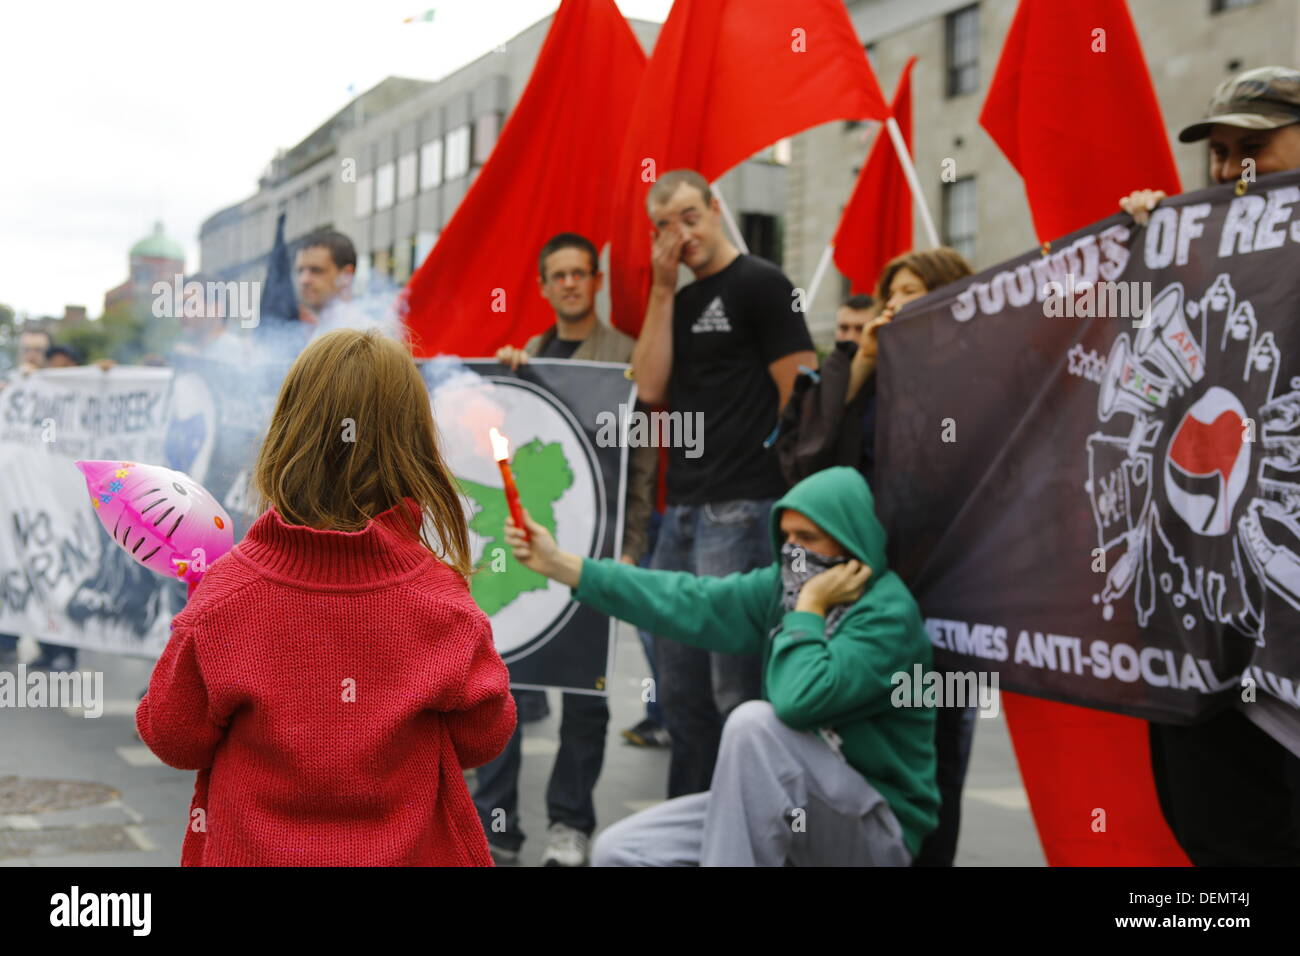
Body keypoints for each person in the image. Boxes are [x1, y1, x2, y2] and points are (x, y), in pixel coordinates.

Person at [136, 328, 516, 866]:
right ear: (414, 445)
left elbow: (173, 736)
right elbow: (485, 735)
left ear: (288, 433)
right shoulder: (443, 601)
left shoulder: (226, 597)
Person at [504, 466, 939, 865]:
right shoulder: (779, 590)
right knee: (622, 850)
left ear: (849, 539)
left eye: (807, 538)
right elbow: (687, 600)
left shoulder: (887, 616)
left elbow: (797, 702)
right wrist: (562, 566)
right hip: (793, 803)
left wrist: (808, 609)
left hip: (875, 829)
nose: (793, 552)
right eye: (786, 538)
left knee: (754, 723)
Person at [1118, 65, 1300, 866]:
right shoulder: (1194, 255)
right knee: (1212, 830)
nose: (1230, 173)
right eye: (1219, 155)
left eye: (1253, 149)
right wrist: (1156, 248)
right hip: (1205, 632)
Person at [775, 248, 974, 867]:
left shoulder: (974, 382)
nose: (891, 306)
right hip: (863, 603)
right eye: (889, 293)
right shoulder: (860, 378)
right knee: (853, 741)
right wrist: (860, 365)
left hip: (944, 600)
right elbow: (807, 466)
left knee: (936, 749)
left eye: (909, 291)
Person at [631, 168, 817, 798]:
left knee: (735, 690)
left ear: (714, 208)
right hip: (681, 510)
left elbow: (802, 394)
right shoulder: (677, 300)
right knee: (679, 688)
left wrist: (790, 499)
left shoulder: (763, 283)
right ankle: (688, 828)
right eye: (664, 226)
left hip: (743, 505)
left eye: (688, 216)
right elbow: (649, 389)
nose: (680, 234)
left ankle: (754, 831)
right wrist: (661, 289)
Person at [478, 233, 658, 866]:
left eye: (582, 272)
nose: (572, 283)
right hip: (527, 552)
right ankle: (495, 825)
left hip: (593, 556)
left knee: (587, 693)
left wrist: (631, 548)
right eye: (560, 275)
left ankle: (570, 824)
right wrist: (503, 379)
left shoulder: (626, 358)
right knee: (504, 684)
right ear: (543, 286)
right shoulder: (527, 355)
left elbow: (639, 467)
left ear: (597, 279)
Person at [295, 229, 357, 327]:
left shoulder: (361, 335)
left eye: (316, 270)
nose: (304, 280)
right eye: (300, 270)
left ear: (346, 274)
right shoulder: (309, 328)